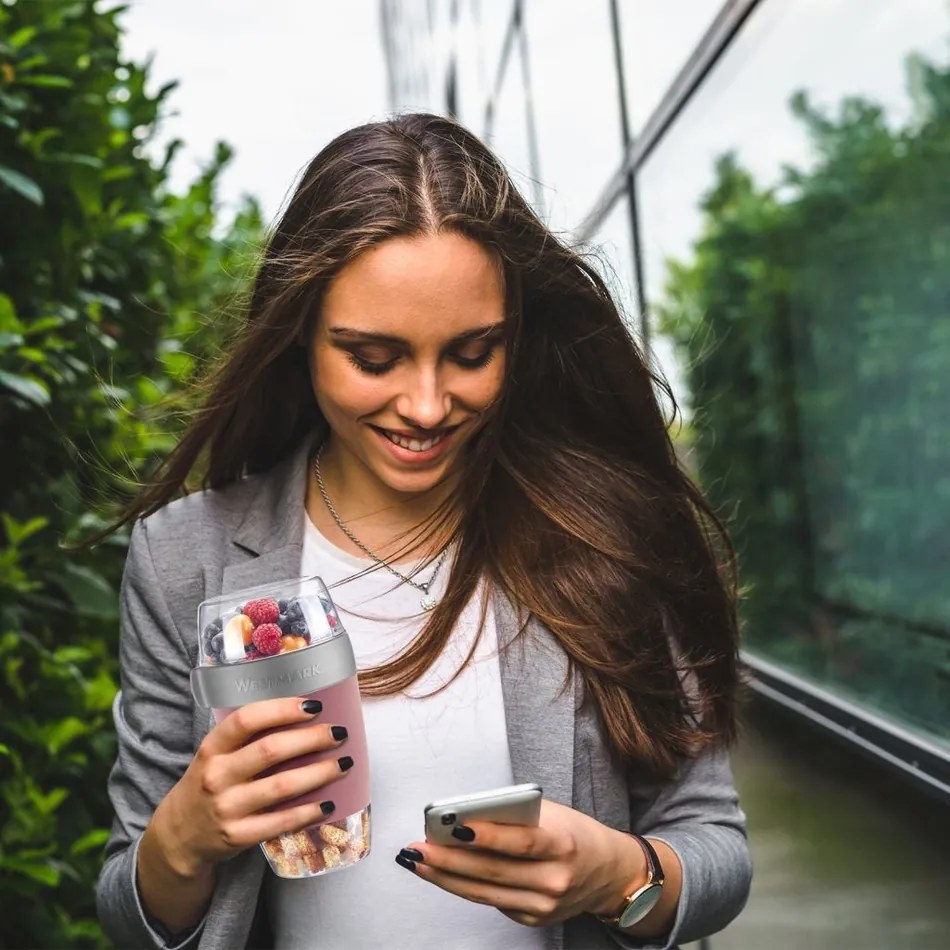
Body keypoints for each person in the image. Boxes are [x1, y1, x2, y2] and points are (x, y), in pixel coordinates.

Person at [96, 112, 751, 950]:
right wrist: (184, 834)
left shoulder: (602, 531)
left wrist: (620, 875)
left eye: (474, 352)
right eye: (374, 359)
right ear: (300, 335)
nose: (428, 405)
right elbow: (127, 909)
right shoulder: (185, 556)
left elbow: (715, 844)